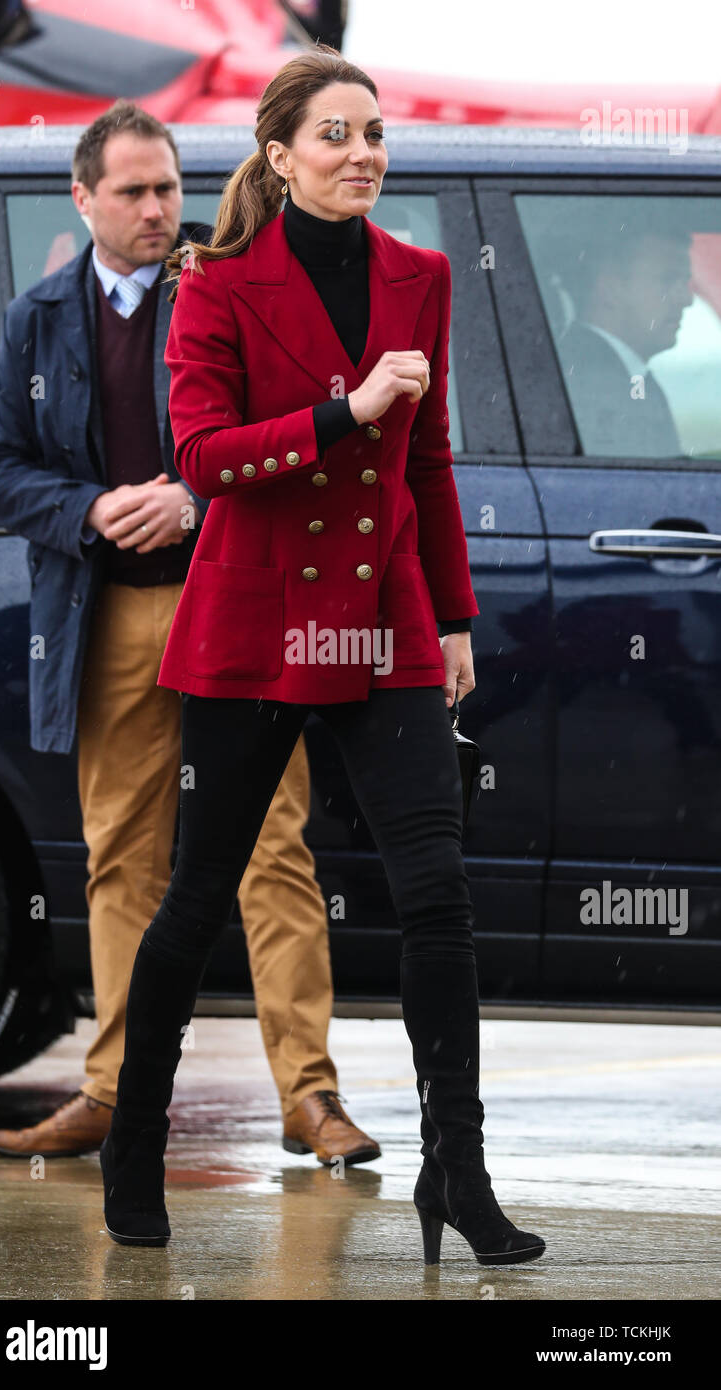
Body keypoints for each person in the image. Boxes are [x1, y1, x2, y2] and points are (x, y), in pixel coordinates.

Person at [100, 43, 546, 1269]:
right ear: (282, 154)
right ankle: (135, 1152)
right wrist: (345, 409)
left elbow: (428, 466)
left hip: (388, 623)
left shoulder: (424, 275)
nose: (365, 154)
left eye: (375, 133)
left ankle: (460, 1173)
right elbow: (201, 459)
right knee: (197, 897)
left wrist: (453, 618)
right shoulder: (218, 281)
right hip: (254, 624)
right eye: (338, 136)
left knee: (439, 894)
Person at [0, 100, 380, 1169]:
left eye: (170, 189)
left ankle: (311, 1096)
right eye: (136, 192)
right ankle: (110, 1090)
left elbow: (297, 441)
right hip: (105, 611)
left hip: (238, 599)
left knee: (271, 850)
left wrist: (195, 501)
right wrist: (93, 511)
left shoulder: (233, 284)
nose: (161, 210)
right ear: (84, 198)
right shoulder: (40, 315)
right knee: (121, 860)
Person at [556, 216, 693, 456]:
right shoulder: (587, 383)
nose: (687, 299)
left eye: (685, 281)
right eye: (668, 280)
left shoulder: (610, 375)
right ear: (611, 289)